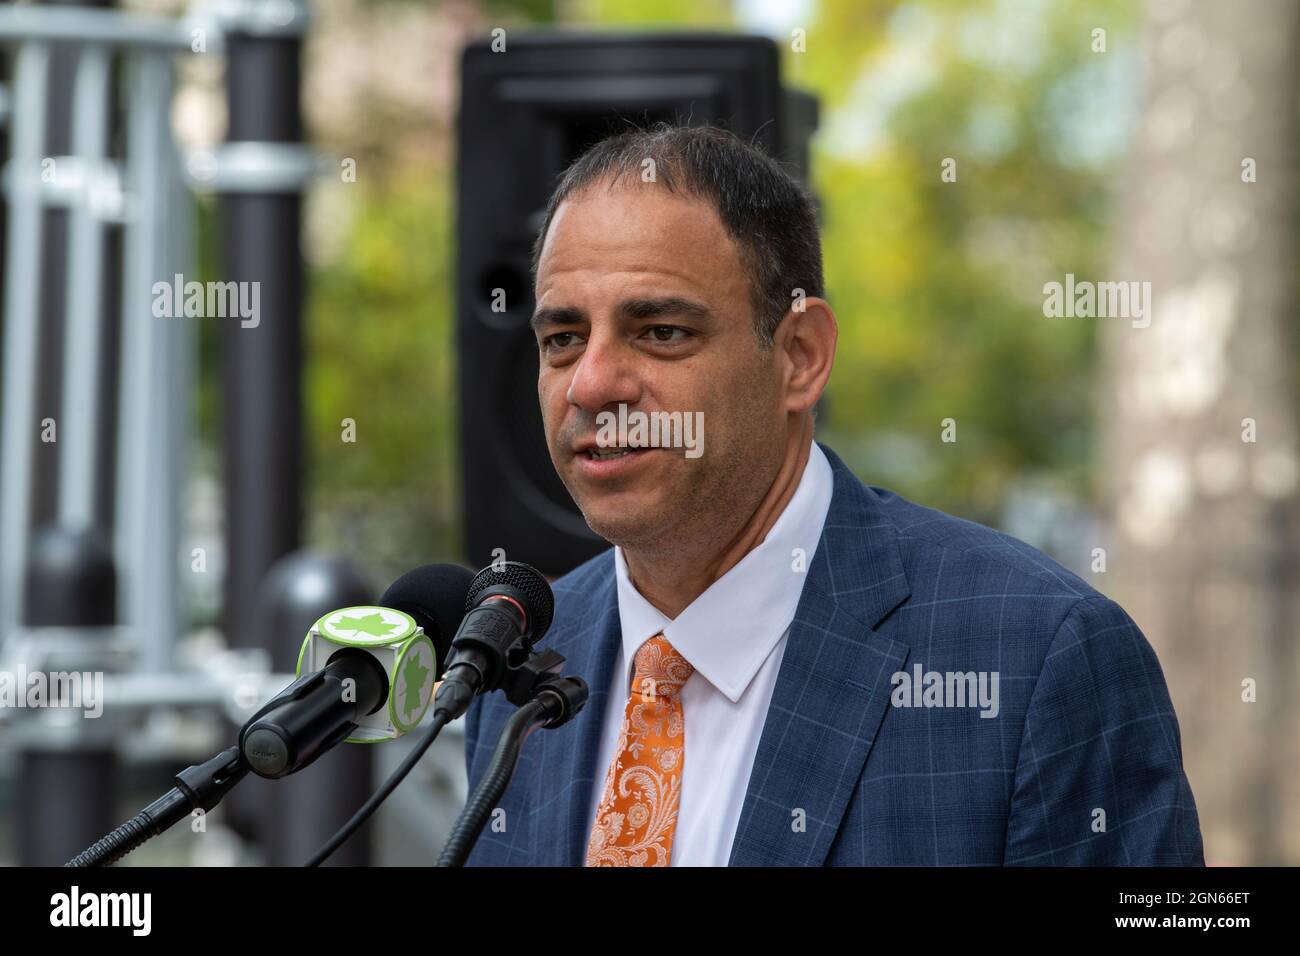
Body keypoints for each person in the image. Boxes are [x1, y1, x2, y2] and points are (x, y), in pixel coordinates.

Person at [463, 124, 1203, 866]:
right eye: (563, 339)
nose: (591, 384)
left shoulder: (1037, 658)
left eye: (659, 331)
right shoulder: (515, 664)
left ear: (800, 357)